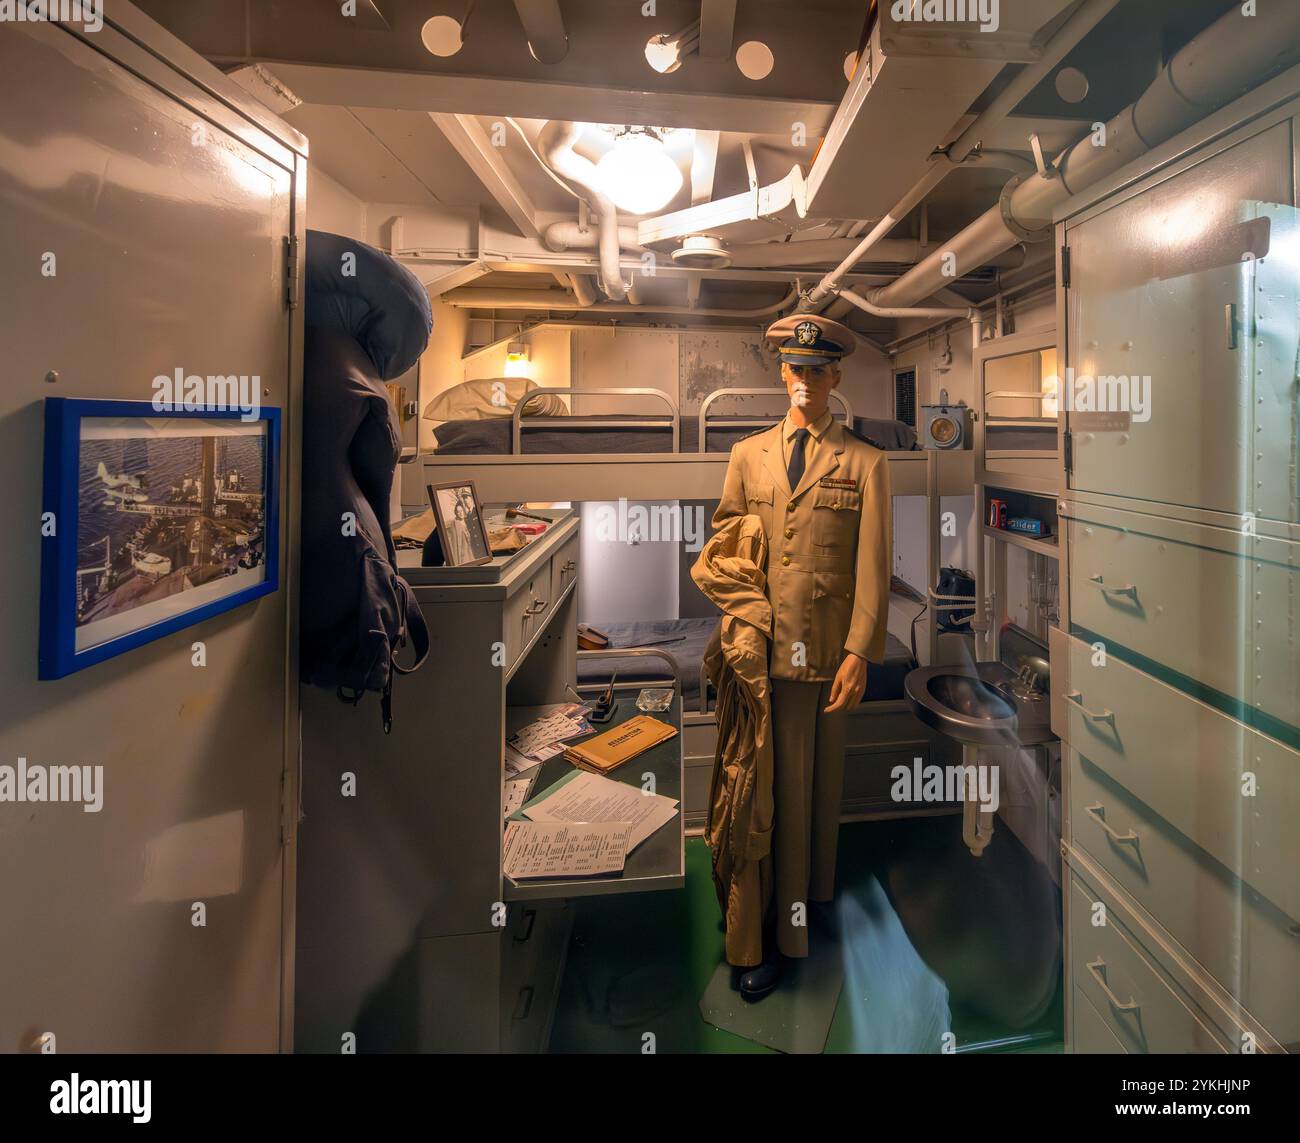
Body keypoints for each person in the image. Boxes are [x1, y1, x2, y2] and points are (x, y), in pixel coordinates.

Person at [711, 313, 892, 1001]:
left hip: (826, 662)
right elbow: (727, 544)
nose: (807, 382)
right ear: (782, 374)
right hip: (764, 663)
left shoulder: (867, 463)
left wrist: (858, 652)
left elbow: (872, 566)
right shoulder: (747, 455)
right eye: (796, 369)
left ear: (836, 377)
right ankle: (771, 940)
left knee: (817, 799)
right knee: (766, 801)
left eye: (819, 370)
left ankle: (808, 908)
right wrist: (738, 632)